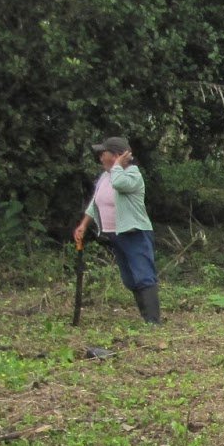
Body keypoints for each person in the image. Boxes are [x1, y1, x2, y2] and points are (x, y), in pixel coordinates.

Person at [72, 136, 161, 324]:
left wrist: (118, 166)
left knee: (143, 274)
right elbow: (96, 202)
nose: (101, 158)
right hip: (115, 233)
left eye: (104, 154)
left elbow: (119, 184)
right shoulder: (107, 175)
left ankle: (153, 320)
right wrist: (84, 224)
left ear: (117, 156)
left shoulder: (132, 175)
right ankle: (147, 317)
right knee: (129, 278)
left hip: (134, 232)